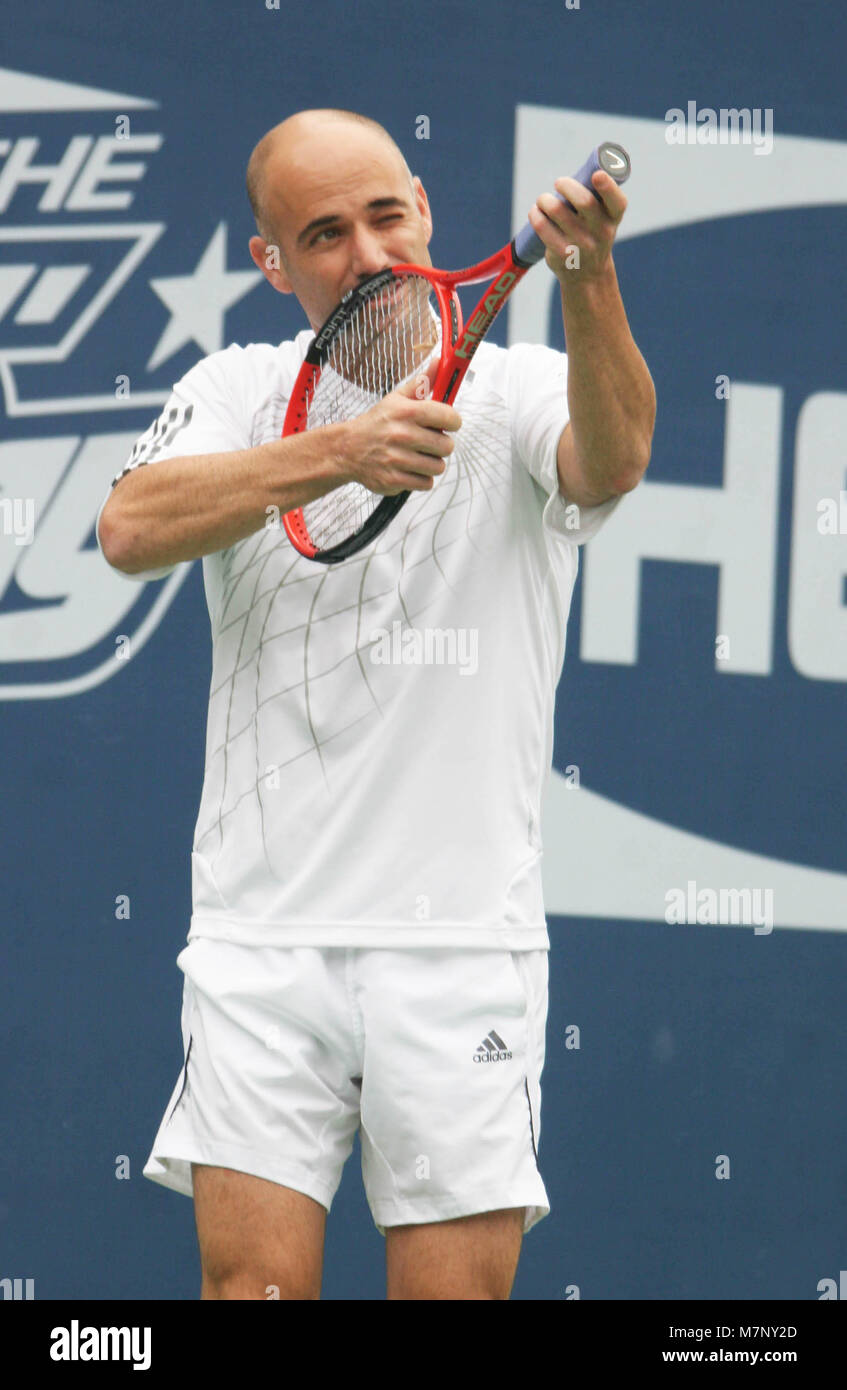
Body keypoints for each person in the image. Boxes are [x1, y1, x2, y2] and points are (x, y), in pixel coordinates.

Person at [96, 108, 655, 1300]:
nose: (368, 251)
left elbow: (612, 462)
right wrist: (340, 449)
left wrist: (588, 277)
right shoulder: (237, 389)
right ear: (274, 263)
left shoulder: (522, 393)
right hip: (260, 943)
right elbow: (130, 528)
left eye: (386, 215)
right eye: (324, 232)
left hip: (460, 950)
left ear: (426, 212)